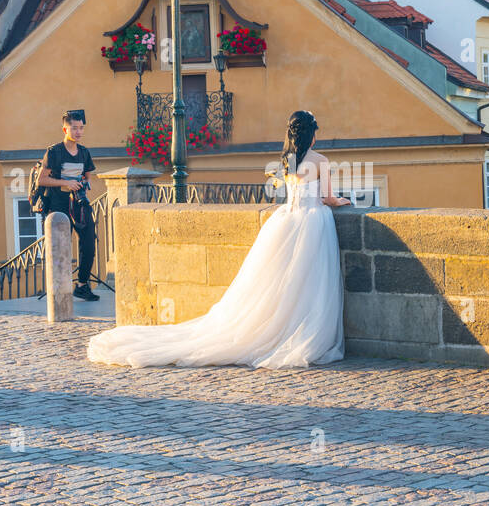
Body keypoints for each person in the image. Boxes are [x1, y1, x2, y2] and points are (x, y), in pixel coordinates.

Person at [87, 110, 350, 369]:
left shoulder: (288, 160)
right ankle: (298, 329)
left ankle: (277, 327)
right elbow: (327, 197)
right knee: (310, 281)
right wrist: (342, 201)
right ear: (312, 134)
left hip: (287, 219)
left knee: (280, 281)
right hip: (312, 221)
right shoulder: (321, 160)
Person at [36, 110, 99, 300]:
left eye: (81, 128)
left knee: (89, 242)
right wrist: (66, 183)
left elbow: (88, 176)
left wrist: (81, 184)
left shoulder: (84, 152)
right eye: (74, 128)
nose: (78, 132)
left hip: (79, 204)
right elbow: (42, 180)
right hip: (58, 205)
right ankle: (59, 289)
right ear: (65, 128)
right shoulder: (54, 152)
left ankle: (82, 285)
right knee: (61, 247)